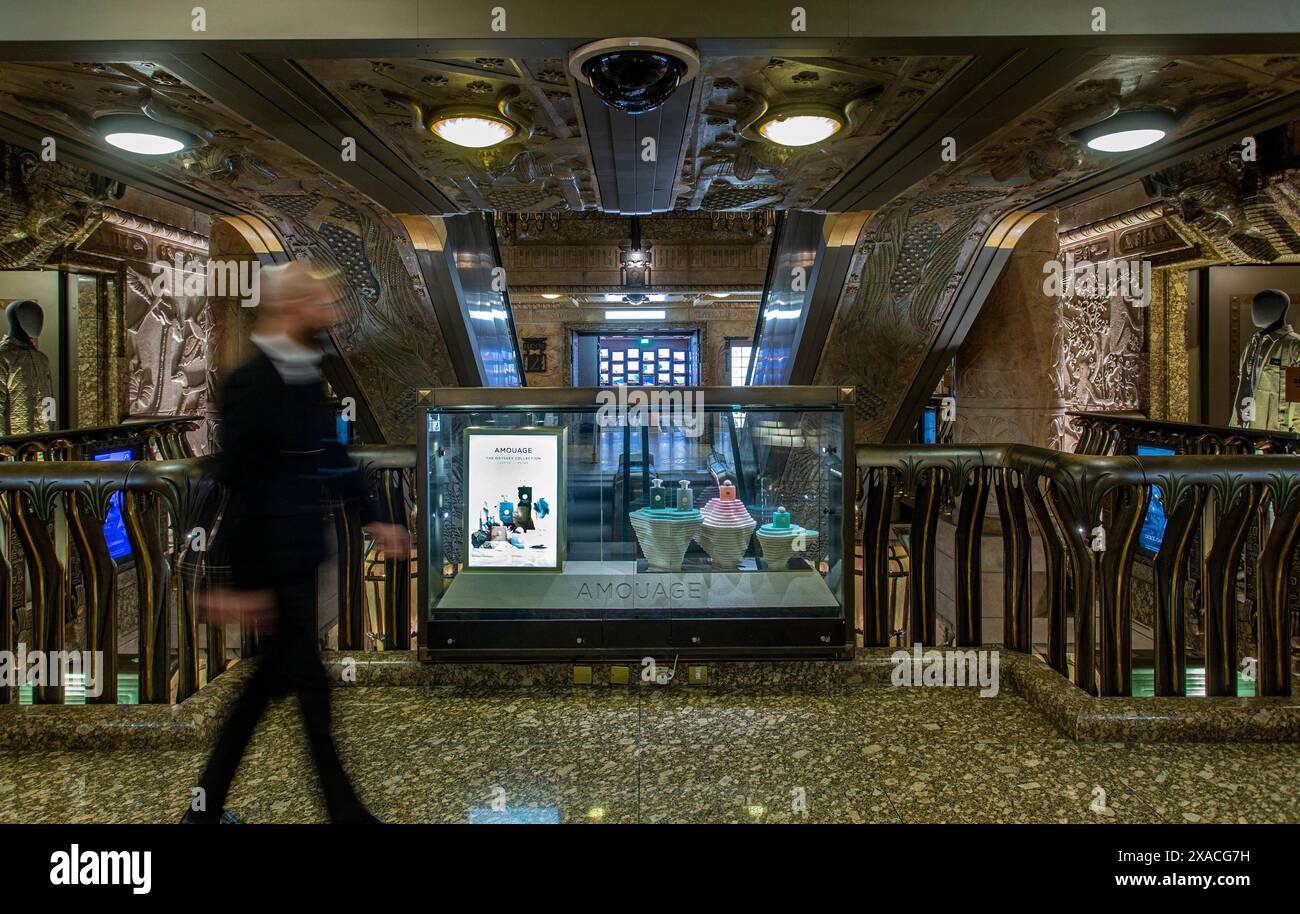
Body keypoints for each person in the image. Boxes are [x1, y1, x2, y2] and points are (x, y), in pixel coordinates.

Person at [182, 261, 409, 824]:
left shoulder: (306, 372)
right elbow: (241, 480)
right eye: (321, 301)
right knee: (297, 688)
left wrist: (373, 517)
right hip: (273, 562)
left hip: (299, 557)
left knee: (283, 687)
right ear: (290, 307)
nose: (332, 311)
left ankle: (207, 811)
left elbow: (330, 455)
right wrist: (238, 581)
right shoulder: (251, 383)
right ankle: (339, 814)